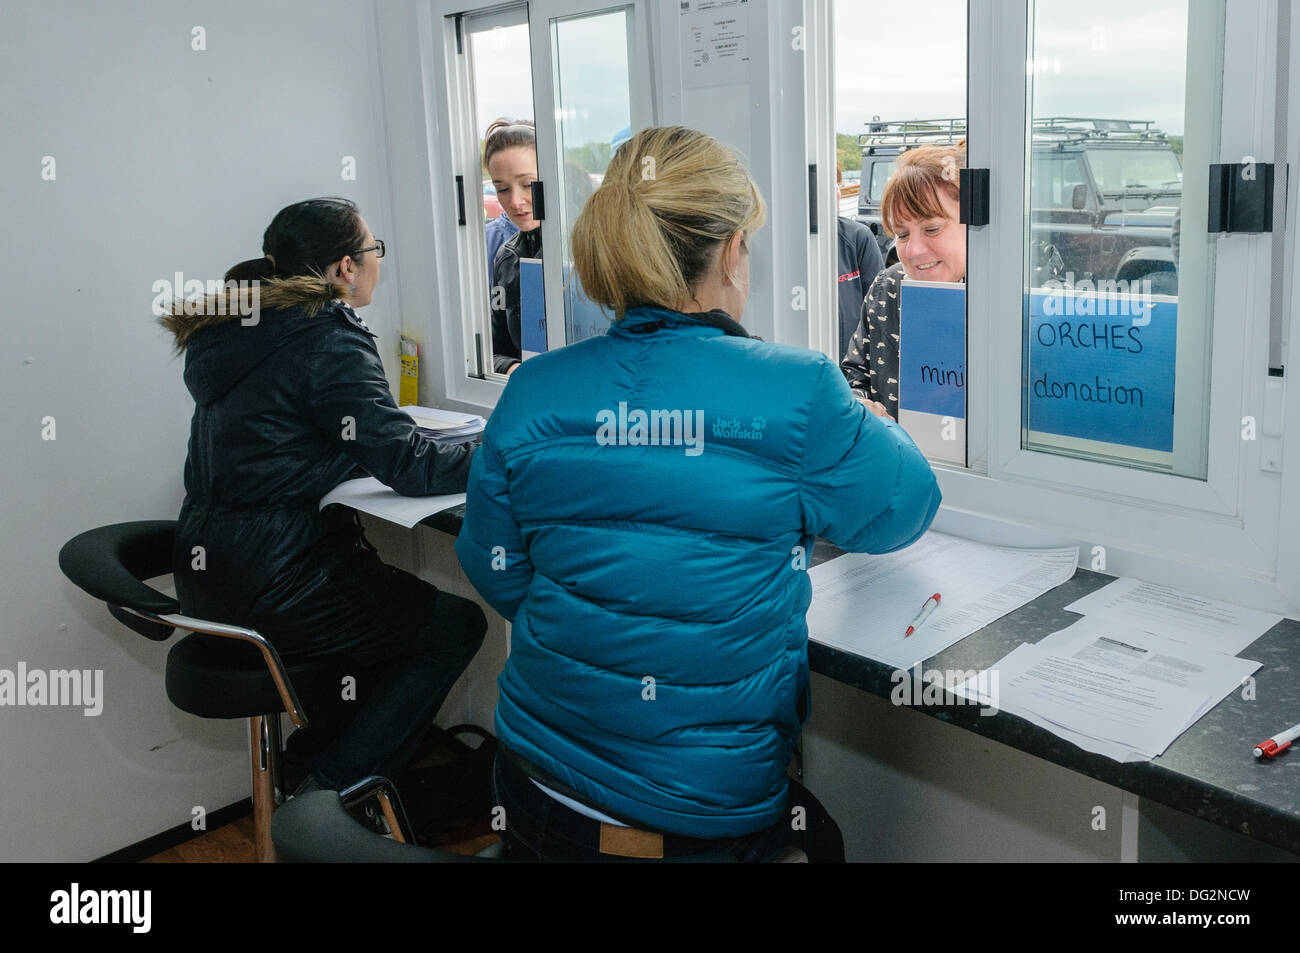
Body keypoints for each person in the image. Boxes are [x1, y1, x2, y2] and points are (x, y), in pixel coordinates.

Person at [455, 126, 942, 861]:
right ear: (730, 250)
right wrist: (869, 418)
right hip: (696, 811)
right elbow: (905, 508)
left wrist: (602, 625)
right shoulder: (798, 390)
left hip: (530, 782)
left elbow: (495, 565)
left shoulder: (533, 389)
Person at [162, 197, 486, 795]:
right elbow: (409, 466)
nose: (376, 262)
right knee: (455, 625)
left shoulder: (237, 331)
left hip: (212, 572)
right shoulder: (325, 338)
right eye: (373, 250)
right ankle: (336, 793)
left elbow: (285, 429)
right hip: (281, 582)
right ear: (344, 267)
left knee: (385, 632)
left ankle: (312, 766)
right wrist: (501, 453)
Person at [841, 142, 967, 420]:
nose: (912, 251)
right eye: (902, 234)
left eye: (931, 229)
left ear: (974, 222)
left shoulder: (1007, 293)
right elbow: (855, 373)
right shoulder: (888, 287)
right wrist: (861, 410)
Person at [484, 119, 540, 375]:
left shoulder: (590, 251)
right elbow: (494, 352)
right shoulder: (506, 258)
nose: (515, 201)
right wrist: (513, 368)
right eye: (502, 189)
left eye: (528, 184)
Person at [836, 160, 886, 359]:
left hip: (850, 370)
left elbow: (880, 313)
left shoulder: (858, 238)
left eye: (837, 185)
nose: (837, 193)